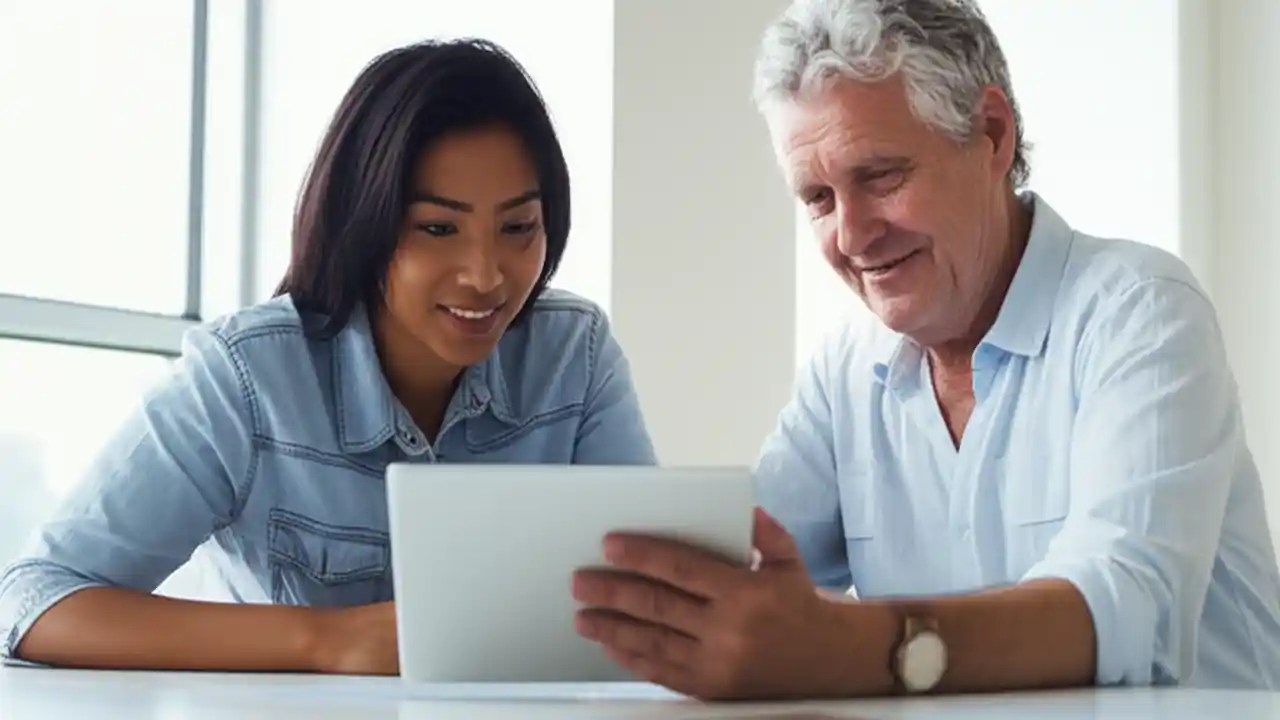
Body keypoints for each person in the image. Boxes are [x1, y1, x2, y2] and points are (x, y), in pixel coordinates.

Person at [571, 0, 1280, 700]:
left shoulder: (1139, 309)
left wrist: (847, 646)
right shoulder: (845, 371)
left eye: (880, 177)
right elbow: (742, 578)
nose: (851, 236)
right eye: (818, 198)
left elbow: (1130, 614)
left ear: (992, 134)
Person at [0, 38, 655, 673]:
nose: (485, 275)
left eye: (518, 229)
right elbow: (36, 602)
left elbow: (650, 604)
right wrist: (330, 641)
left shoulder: (576, 354)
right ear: (363, 222)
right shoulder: (246, 378)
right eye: (437, 228)